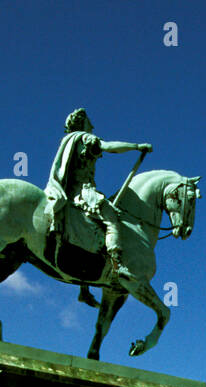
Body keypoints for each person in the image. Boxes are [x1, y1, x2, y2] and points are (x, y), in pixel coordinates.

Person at [45, 108, 152, 293]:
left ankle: (84, 287)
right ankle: (119, 266)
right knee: (112, 220)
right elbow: (109, 147)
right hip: (83, 191)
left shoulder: (69, 141)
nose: (92, 126)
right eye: (89, 122)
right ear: (82, 123)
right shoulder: (86, 138)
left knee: (92, 230)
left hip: (71, 190)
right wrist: (136, 147)